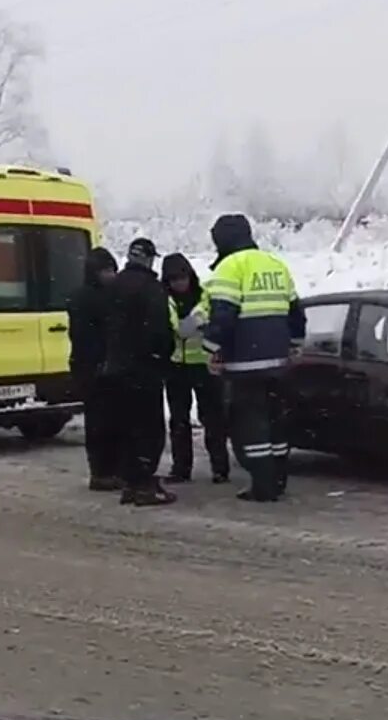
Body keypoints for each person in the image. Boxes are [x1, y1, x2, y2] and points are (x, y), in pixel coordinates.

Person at [202, 214, 305, 503]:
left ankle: (263, 485)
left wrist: (211, 349)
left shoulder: (230, 267)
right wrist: (295, 344)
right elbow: (296, 312)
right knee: (275, 423)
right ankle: (278, 480)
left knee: (250, 426)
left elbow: (223, 315)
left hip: (245, 364)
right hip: (278, 363)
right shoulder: (275, 264)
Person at [103, 237, 178, 507]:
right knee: (148, 428)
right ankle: (145, 483)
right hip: (144, 370)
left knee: (126, 426)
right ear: (148, 259)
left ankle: (131, 482)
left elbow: (104, 325)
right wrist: (163, 355)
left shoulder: (113, 286)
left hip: (116, 369)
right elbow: (159, 331)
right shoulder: (151, 288)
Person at [161, 252, 231, 484]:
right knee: (179, 421)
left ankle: (220, 468)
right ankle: (181, 468)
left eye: (182, 277)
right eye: (173, 279)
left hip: (204, 365)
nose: (179, 283)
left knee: (213, 419)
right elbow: (175, 329)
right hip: (176, 366)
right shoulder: (164, 300)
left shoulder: (205, 297)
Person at [68, 247, 122, 492]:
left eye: (112, 270)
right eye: (105, 271)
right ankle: (101, 472)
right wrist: (99, 363)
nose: (110, 275)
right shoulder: (86, 299)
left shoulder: (106, 295)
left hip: (105, 366)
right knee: (100, 423)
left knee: (112, 422)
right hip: (94, 368)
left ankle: (111, 469)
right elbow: (85, 338)